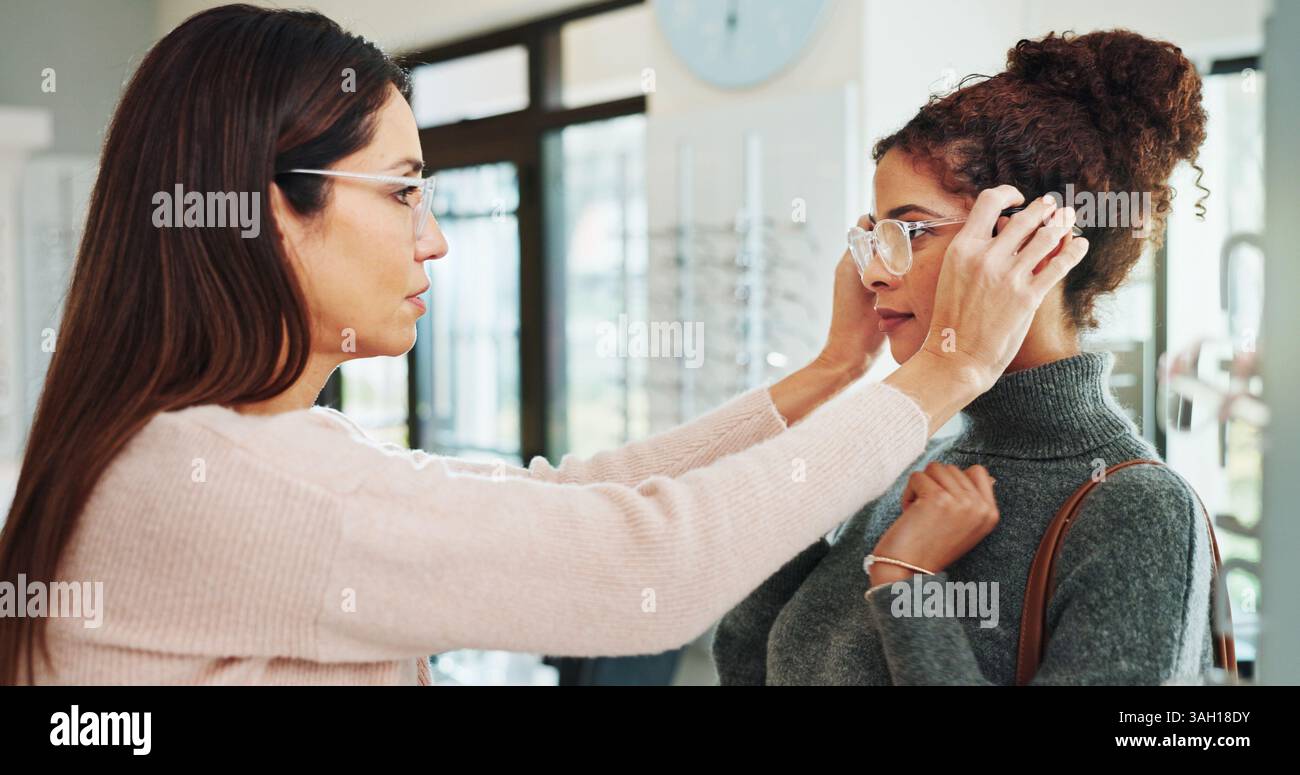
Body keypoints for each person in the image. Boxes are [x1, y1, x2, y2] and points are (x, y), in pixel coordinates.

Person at [0, 5, 1085, 685]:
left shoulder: (202, 451)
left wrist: (834, 373)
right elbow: (644, 569)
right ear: (268, 208)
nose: (432, 239)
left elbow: (564, 495)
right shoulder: (239, 482)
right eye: (404, 191)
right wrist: (944, 371)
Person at [713, 29, 1214, 686]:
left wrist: (907, 586)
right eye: (872, 238)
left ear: (1029, 242)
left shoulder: (1139, 511)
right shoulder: (911, 461)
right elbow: (750, 667)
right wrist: (830, 383)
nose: (873, 274)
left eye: (908, 233)